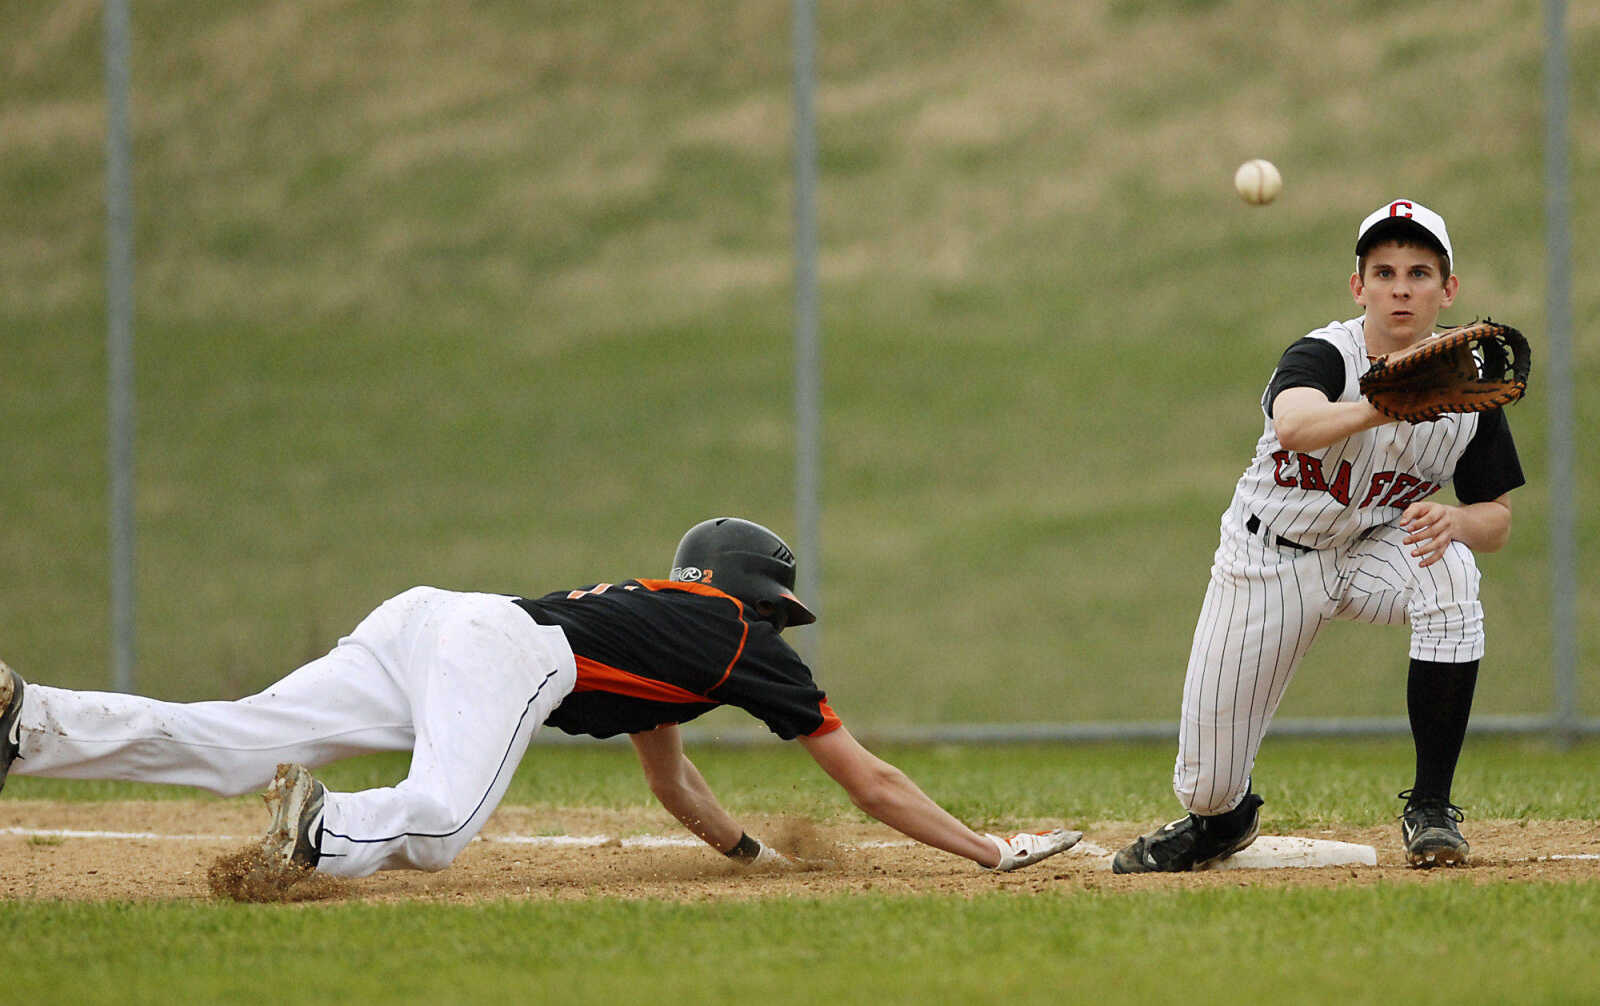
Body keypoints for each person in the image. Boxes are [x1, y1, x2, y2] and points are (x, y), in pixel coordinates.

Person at [0, 517, 1079, 880]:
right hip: (498, 648)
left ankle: (26, 720)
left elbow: (671, 781)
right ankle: (321, 831)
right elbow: (868, 778)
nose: (783, 629)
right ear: (760, 593)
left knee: (231, 739)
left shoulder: (667, 628)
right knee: (440, 825)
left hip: (423, 621)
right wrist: (988, 851)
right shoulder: (745, 640)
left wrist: (747, 856)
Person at [1113, 199, 1524, 873]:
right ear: (1358, 286)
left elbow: (1497, 521)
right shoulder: (1325, 354)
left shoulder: (1466, 386)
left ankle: (1430, 810)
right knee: (1206, 786)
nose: (1401, 286)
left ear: (1447, 291)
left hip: (1369, 551)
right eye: (1384, 271)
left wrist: (1456, 521)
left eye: (1420, 273)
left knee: (1452, 571)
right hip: (1269, 559)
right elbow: (1297, 424)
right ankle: (1223, 823)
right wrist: (1385, 401)